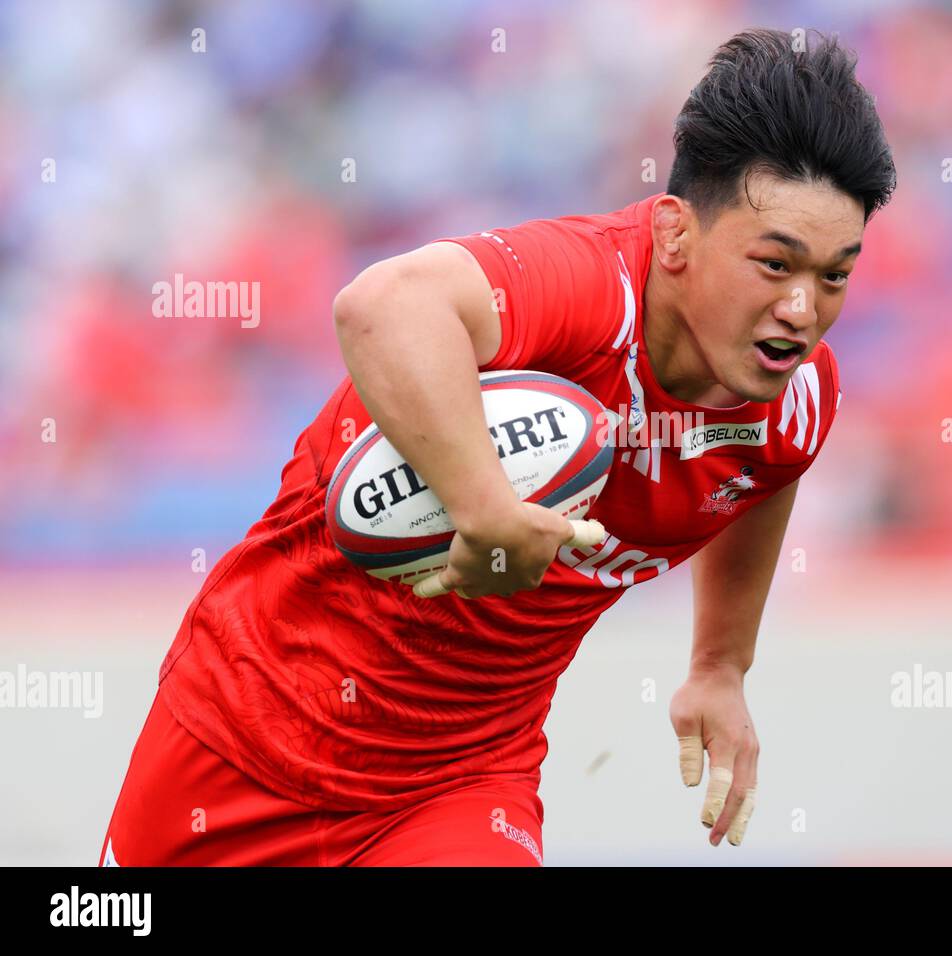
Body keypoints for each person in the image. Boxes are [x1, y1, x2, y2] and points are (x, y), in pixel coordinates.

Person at [99, 26, 895, 866]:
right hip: (243, 733)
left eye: (835, 275)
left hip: (460, 782)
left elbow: (762, 472)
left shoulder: (797, 403)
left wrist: (722, 664)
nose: (804, 311)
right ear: (674, 236)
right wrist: (487, 508)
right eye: (776, 265)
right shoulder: (583, 292)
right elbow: (378, 305)